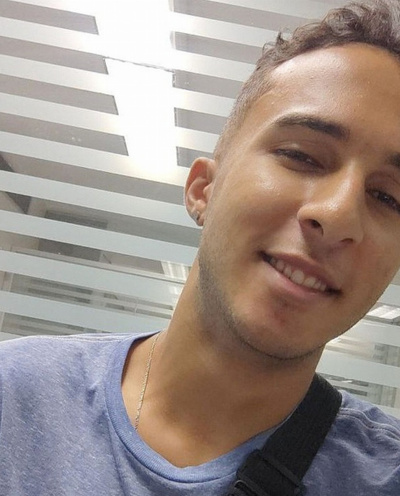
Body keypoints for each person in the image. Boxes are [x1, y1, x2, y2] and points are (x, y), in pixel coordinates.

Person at [1, 0, 400, 494]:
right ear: (203, 190)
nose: (339, 215)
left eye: (388, 197)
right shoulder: (15, 397)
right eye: (301, 156)